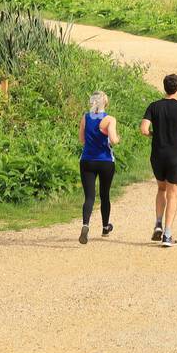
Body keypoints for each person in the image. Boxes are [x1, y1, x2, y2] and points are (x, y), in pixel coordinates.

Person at [140, 73, 177, 247]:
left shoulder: (154, 106)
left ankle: (158, 223)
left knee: (161, 189)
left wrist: (154, 134)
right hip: (175, 156)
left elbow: (144, 129)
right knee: (172, 193)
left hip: (157, 155)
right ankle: (167, 235)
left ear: (164, 87)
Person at [78, 91, 119, 244]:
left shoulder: (85, 117)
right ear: (105, 103)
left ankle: (85, 224)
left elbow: (82, 140)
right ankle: (105, 227)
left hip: (87, 160)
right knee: (104, 194)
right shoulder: (109, 120)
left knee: (89, 196)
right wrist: (117, 138)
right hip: (105, 161)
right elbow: (113, 140)